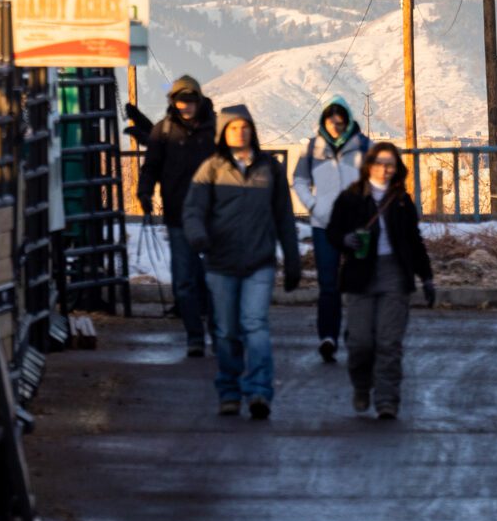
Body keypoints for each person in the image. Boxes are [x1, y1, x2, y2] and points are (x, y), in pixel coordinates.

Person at [181, 104, 304, 420]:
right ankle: (230, 391)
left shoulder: (269, 168)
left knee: (255, 324)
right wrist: (198, 236)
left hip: (259, 262)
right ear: (223, 133)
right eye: (233, 127)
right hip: (221, 262)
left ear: (253, 130)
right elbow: (193, 210)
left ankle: (260, 391)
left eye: (245, 126)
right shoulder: (211, 169)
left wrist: (292, 260)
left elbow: (283, 216)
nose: (240, 132)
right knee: (226, 332)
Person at [322, 140, 437, 421]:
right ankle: (362, 385)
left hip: (394, 274)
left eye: (390, 164)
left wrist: (426, 277)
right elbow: (333, 231)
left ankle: (387, 400)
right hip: (360, 274)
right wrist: (345, 239)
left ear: (397, 168)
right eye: (379, 163)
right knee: (360, 342)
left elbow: (414, 241)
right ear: (368, 165)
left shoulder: (401, 201)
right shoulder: (350, 198)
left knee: (389, 342)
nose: (384, 169)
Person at [132, 75, 218, 357]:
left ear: (199, 101)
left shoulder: (216, 130)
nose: (186, 105)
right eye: (181, 100)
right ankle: (195, 337)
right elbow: (151, 167)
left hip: (211, 215)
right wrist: (144, 193)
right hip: (178, 215)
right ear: (173, 101)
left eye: (191, 100)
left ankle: (218, 333)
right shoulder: (164, 131)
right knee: (183, 281)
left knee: (214, 279)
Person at [289, 94, 368, 363]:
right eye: (330, 120)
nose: (335, 125)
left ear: (347, 121)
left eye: (340, 120)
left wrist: (366, 211)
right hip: (323, 225)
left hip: (357, 225)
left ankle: (355, 335)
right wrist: (314, 206)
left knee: (358, 283)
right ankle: (328, 337)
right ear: (323, 121)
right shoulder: (312, 148)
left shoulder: (363, 146)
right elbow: (299, 180)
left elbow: (375, 180)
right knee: (328, 284)